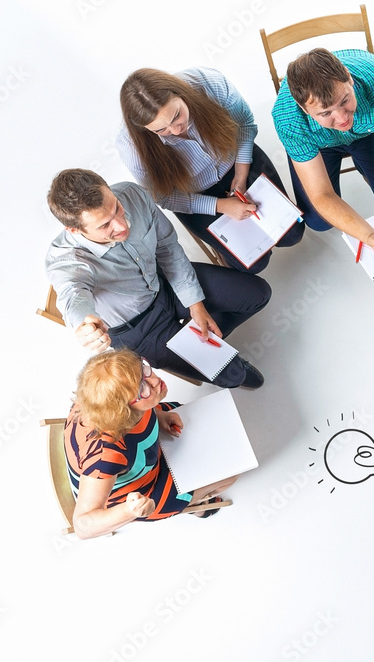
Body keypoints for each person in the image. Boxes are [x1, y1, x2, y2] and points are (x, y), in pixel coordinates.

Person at [45, 168, 269, 388]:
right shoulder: (65, 260)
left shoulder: (131, 194)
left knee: (257, 294)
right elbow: (72, 295)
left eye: (117, 208)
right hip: (138, 329)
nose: (122, 225)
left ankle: (207, 340)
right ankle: (220, 358)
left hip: (166, 284)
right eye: (105, 225)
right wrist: (83, 323)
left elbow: (168, 249)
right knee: (234, 376)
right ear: (74, 230)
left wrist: (195, 304)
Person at [117, 67, 304, 274]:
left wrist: (241, 174)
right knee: (254, 263)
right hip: (195, 195)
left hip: (237, 161)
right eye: (161, 130)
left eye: (177, 115)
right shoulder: (131, 147)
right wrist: (222, 206)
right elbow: (165, 197)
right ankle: (225, 251)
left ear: (181, 94)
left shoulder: (206, 82)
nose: (176, 130)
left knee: (293, 234)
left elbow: (244, 124)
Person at [65, 349, 239, 539]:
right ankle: (194, 507)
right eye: (143, 388)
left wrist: (159, 414)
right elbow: (83, 527)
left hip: (145, 454)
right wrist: (130, 510)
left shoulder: (99, 393)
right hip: (141, 492)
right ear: (123, 412)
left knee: (195, 420)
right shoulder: (106, 456)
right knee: (230, 475)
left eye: (144, 369)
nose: (155, 380)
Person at [272, 48, 374, 269]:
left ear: (349, 79)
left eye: (344, 101)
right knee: (318, 221)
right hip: (320, 144)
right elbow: (321, 194)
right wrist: (371, 238)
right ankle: (363, 161)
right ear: (304, 108)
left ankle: (363, 162)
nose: (340, 118)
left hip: (366, 132)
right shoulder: (288, 120)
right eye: (325, 113)